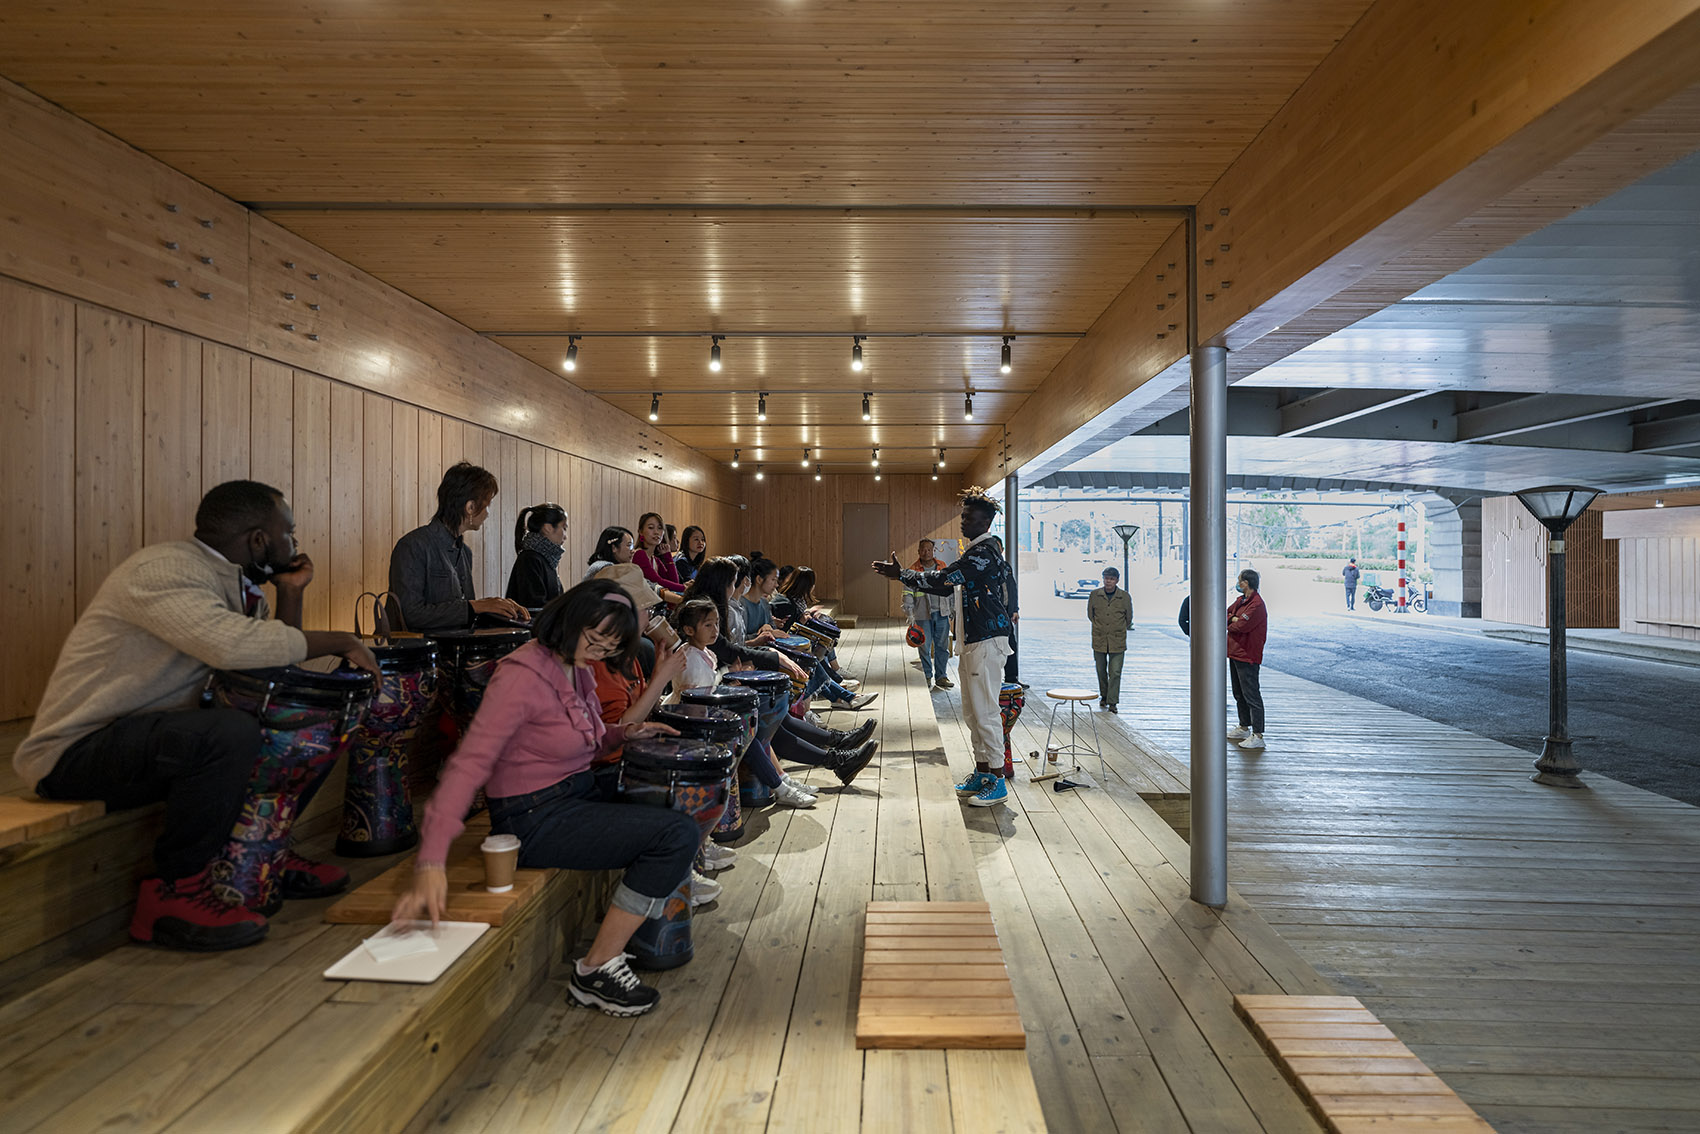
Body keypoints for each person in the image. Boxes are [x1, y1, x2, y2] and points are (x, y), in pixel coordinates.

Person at [16, 480, 379, 951]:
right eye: (288, 532)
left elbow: (270, 670)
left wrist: (291, 593)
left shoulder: (237, 583)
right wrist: (343, 640)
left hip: (154, 739)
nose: (294, 543)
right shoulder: (165, 570)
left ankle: (259, 850)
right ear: (258, 540)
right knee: (227, 733)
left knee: (308, 721)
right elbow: (231, 645)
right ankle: (174, 893)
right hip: (77, 750)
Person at [391, 580, 694, 1017]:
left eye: (609, 648)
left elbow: (582, 741)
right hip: (533, 816)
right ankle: (596, 969)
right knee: (676, 835)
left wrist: (625, 733)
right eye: (594, 640)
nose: (598, 653)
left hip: (574, 791)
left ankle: (644, 925)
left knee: (670, 787)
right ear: (570, 619)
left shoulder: (575, 664)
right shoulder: (521, 675)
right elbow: (467, 766)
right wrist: (431, 862)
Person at [873, 487, 1014, 807]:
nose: (963, 522)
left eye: (969, 517)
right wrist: (904, 577)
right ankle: (983, 772)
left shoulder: (984, 553)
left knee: (986, 711)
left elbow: (944, 579)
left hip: (986, 640)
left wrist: (902, 575)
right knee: (972, 711)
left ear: (985, 522)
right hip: (973, 639)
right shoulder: (977, 551)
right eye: (963, 516)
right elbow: (949, 584)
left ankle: (997, 780)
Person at [389, 462, 528, 632]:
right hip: (418, 647)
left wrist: (496, 607)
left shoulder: (465, 552)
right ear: (470, 507)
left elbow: (465, 613)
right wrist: (476, 606)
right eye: (488, 505)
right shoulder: (413, 546)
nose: (488, 514)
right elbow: (411, 614)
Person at [1226, 568, 1269, 751]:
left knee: (1251, 694)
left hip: (1248, 654)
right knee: (1239, 693)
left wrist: (1233, 621)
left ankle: (1258, 735)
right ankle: (1244, 727)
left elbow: (1241, 626)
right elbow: (1226, 615)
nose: (1237, 583)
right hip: (1235, 652)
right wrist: (1233, 618)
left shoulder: (1256, 604)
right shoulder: (1241, 601)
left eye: (1240, 580)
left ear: (1247, 583)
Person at [903, 539, 953, 690]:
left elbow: (951, 589)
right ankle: (927, 676)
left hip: (942, 612)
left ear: (933, 551)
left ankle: (941, 676)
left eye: (929, 549)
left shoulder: (943, 567)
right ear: (918, 551)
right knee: (924, 646)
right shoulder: (913, 569)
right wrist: (909, 613)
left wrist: (952, 608)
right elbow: (907, 592)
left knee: (942, 646)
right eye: (923, 550)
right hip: (922, 614)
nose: (926, 553)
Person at [1087, 567, 1134, 713]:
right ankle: (1104, 695)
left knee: (1115, 672)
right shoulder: (1095, 595)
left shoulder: (1124, 597)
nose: (1108, 581)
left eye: (1112, 579)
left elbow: (1128, 618)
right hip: (1099, 639)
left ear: (1117, 580)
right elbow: (1090, 615)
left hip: (1117, 640)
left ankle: (1112, 702)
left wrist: (1117, 628)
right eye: (1106, 578)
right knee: (1101, 670)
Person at [506, 502, 569, 609]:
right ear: (548, 528)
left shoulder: (545, 559)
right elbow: (534, 606)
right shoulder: (530, 559)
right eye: (564, 528)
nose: (565, 536)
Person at [670, 598, 722, 696]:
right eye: (708, 625)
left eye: (716, 623)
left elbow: (709, 682)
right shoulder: (690, 659)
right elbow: (692, 695)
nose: (715, 629)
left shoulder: (702, 651)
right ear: (689, 630)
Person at [990, 535, 1022, 687]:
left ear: (1002, 549)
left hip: (1007, 614)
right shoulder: (987, 567)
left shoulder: (1006, 567)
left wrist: (1015, 609)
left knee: (1011, 646)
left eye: (998, 547)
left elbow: (1012, 589)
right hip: (992, 615)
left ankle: (1012, 679)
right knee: (994, 649)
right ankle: (994, 681)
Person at [633, 512, 684, 605]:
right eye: (651, 528)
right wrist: (686, 588)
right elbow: (657, 581)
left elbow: (674, 581)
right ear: (640, 532)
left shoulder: (655, 559)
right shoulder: (639, 554)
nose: (656, 532)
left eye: (660, 528)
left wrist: (668, 555)